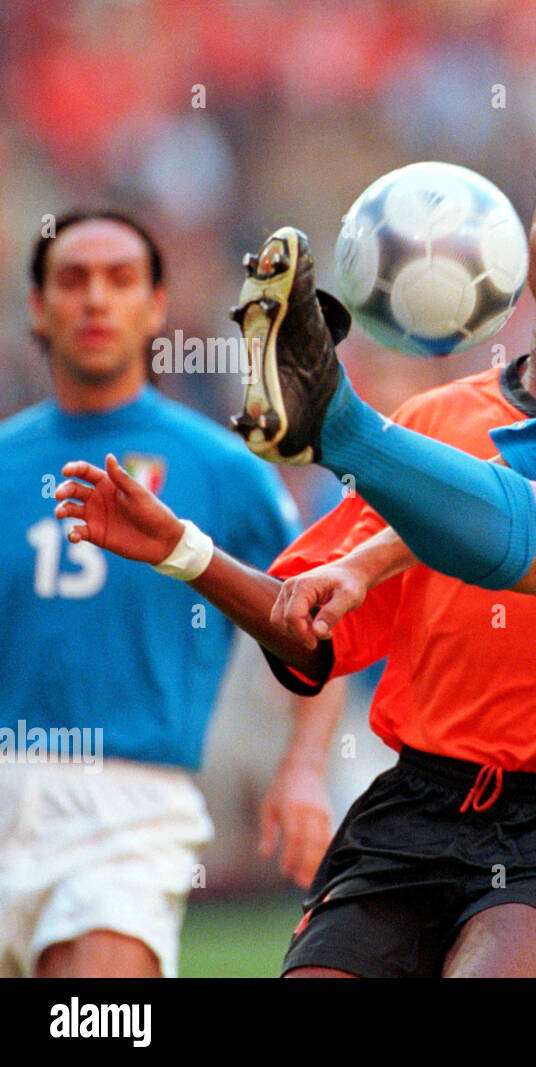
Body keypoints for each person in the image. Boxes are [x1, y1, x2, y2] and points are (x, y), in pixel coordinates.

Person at [56, 134, 536, 977]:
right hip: (413, 808)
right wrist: (183, 550)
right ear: (520, 250)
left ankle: (329, 421)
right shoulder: (431, 427)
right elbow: (310, 633)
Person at [0, 211, 337, 979]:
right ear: (37, 305)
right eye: (73, 279)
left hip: (124, 809)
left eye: (120, 280)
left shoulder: (221, 468)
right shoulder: (3, 462)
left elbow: (313, 620)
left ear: (155, 308)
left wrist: (305, 764)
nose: (95, 300)